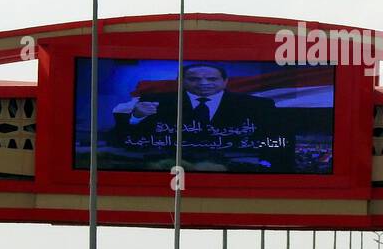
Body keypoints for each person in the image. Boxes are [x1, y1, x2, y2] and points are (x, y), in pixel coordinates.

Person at [113, 63, 294, 172]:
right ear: (182, 81)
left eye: (212, 79)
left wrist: (263, 170)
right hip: (168, 172)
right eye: (194, 79)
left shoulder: (257, 106)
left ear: (225, 82)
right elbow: (122, 138)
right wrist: (136, 117)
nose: (203, 84)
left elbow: (279, 141)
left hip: (235, 174)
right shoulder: (156, 102)